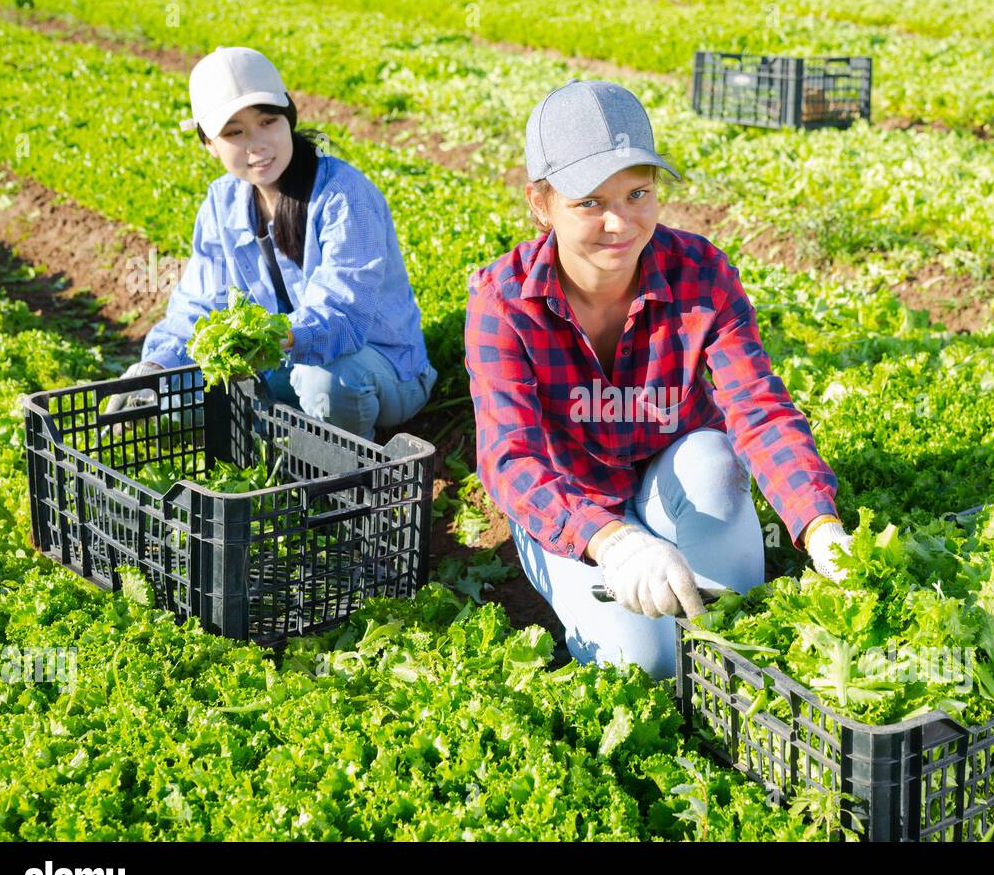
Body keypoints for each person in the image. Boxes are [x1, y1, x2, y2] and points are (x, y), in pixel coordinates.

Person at [464, 80, 852, 680]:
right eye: (589, 202)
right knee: (647, 667)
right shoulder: (504, 301)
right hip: (572, 510)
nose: (619, 223)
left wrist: (819, 523)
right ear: (541, 204)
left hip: (674, 482)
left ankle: (724, 633)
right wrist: (610, 540)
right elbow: (509, 457)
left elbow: (757, 408)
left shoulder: (699, 272)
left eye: (637, 193)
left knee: (728, 639)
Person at [108, 47, 436, 440]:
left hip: (382, 368)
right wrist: (155, 369)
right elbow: (199, 305)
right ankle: (285, 444)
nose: (257, 144)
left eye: (268, 122)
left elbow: (342, 315)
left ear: (289, 118)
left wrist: (268, 336)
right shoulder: (221, 203)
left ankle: (353, 466)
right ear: (209, 143)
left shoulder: (343, 195)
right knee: (183, 392)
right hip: (286, 362)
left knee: (324, 381)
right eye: (235, 132)